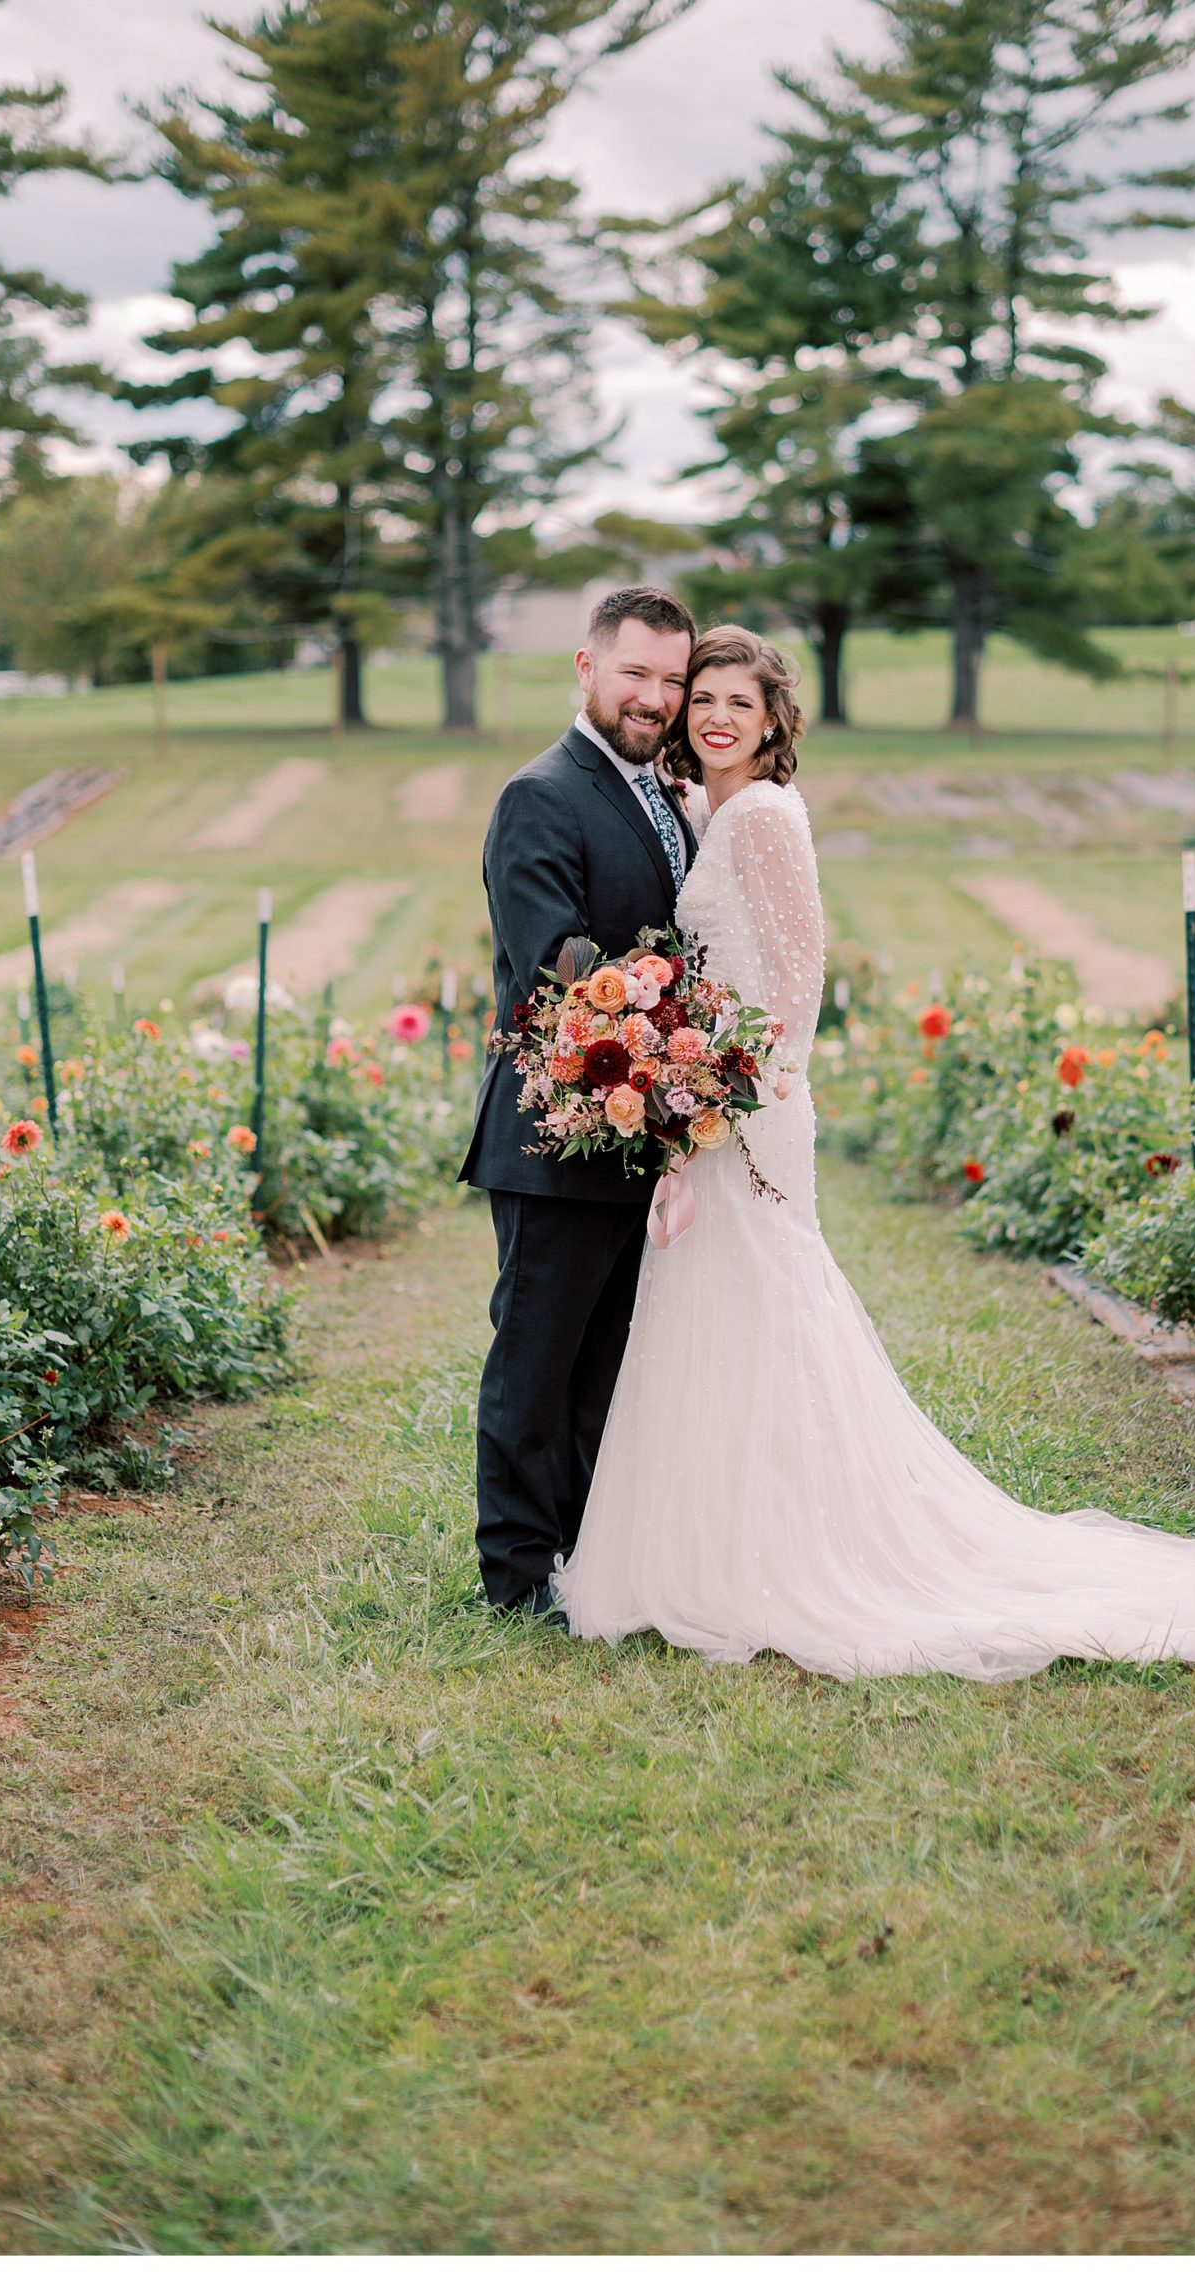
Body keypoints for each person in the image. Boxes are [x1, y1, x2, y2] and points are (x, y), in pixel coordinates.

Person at [552, 625, 1195, 1681]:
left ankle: (787, 1548)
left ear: (773, 721)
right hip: (712, 1095)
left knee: (763, 1295)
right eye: (704, 699)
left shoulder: (764, 814)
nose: (718, 717)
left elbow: (803, 976)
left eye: (741, 701)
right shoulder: (705, 809)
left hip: (753, 1101)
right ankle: (710, 1540)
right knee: (716, 1297)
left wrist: (740, 1090)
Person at [459, 586, 698, 1617]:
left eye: (672, 680)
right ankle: (516, 1576)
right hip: (553, 1135)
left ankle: (581, 1557)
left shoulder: (661, 793)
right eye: (635, 672)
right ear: (587, 667)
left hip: (636, 1128)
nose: (655, 697)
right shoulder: (542, 794)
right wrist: (677, 1028)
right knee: (537, 1360)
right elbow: (553, 962)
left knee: (603, 1365)